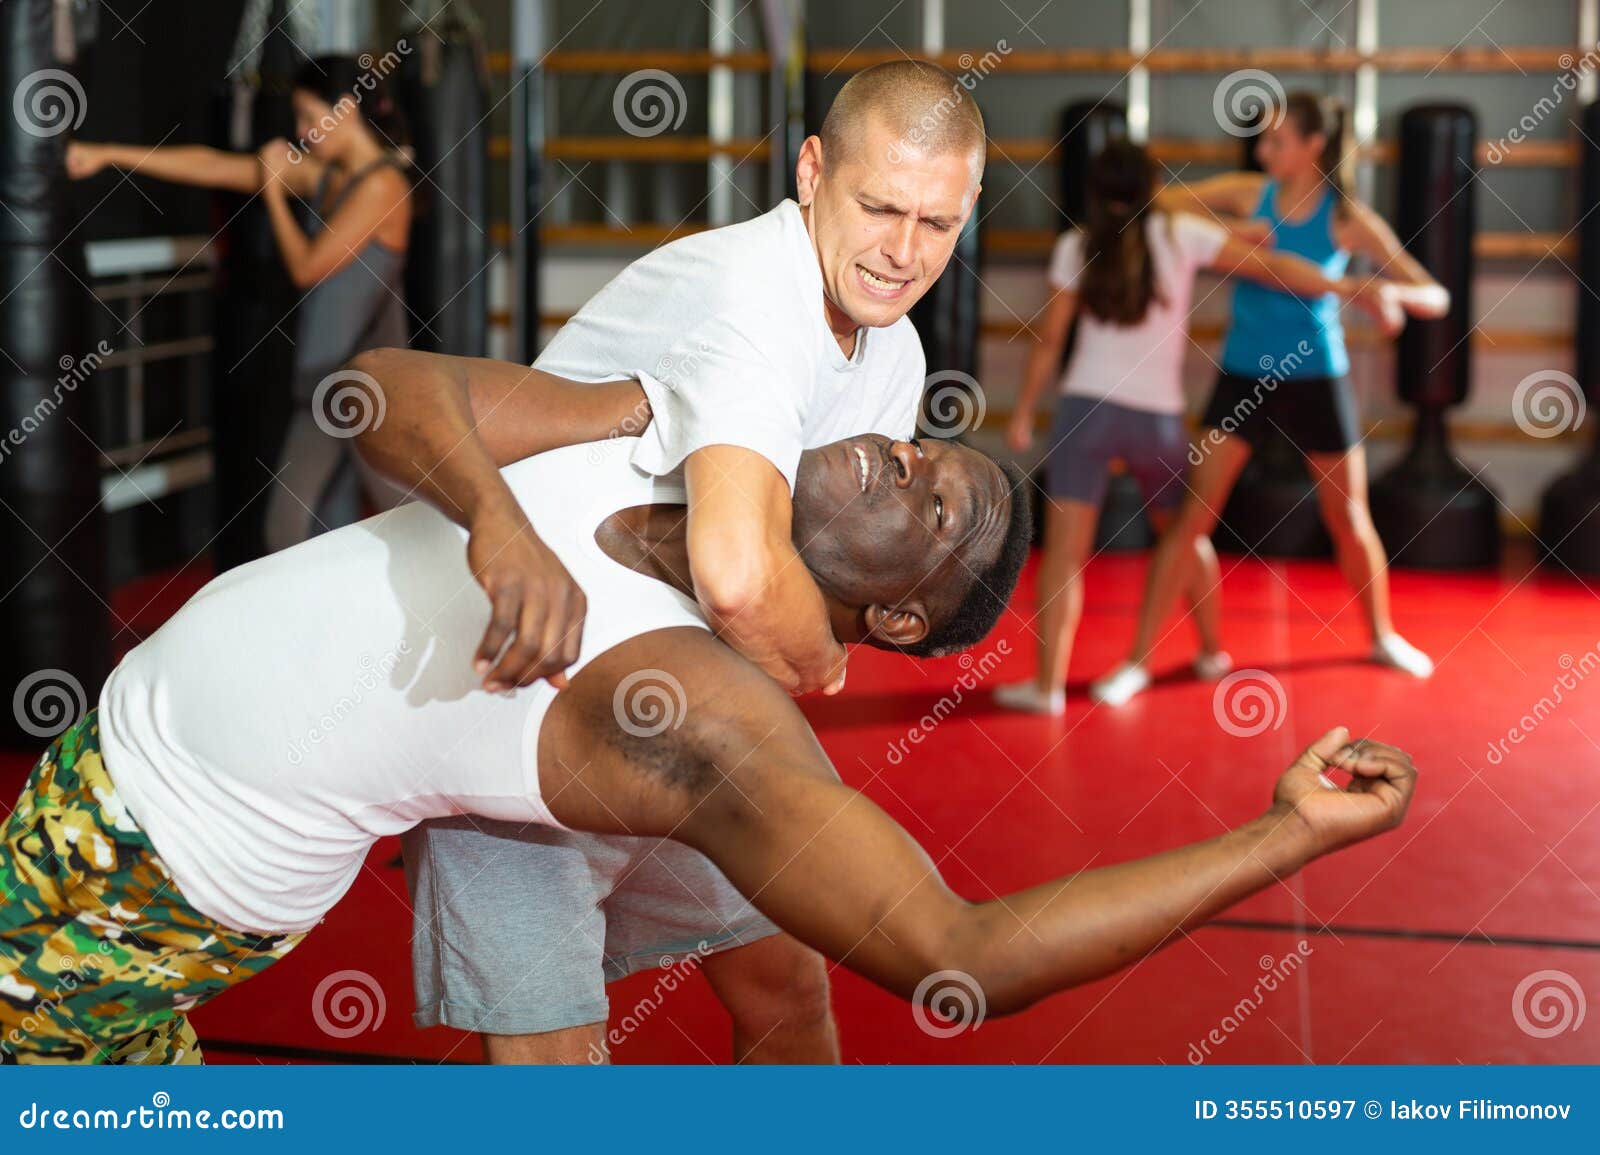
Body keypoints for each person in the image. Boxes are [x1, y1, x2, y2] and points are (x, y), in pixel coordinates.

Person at [0, 373, 1416, 1064]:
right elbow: (384, 394)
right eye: (927, 449)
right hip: (111, 759)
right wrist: (495, 514)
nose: (894, 458)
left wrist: (1280, 834)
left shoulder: (703, 720)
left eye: (929, 503)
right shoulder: (670, 439)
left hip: (156, 861)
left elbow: (961, 957)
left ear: (902, 614)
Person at [350, 59, 988, 1061]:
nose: (902, 252)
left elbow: (820, 568)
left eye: (937, 224)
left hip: (680, 696)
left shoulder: (893, 352)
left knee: (787, 988)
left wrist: (811, 625)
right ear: (812, 170)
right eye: (880, 207)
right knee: (554, 1066)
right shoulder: (747, 292)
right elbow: (742, 577)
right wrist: (823, 660)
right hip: (519, 688)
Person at [996, 139, 1406, 715]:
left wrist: (1021, 412)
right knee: (1185, 535)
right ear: (1153, 190)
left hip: (1084, 412)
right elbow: (1274, 268)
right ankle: (1212, 650)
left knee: (1065, 553)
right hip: (1156, 419)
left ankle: (1046, 689)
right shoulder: (1178, 234)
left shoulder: (1075, 244)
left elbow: (1050, 339)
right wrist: (1346, 288)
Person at [1089, 92, 1451, 707]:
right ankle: (1138, 661)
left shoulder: (1347, 218)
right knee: (1192, 519)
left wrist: (1382, 293)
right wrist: (1230, 235)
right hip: (1242, 377)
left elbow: (1435, 294)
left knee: (1348, 518)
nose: (1262, 151)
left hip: (1319, 379)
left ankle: (1383, 636)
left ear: (1314, 146)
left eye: (1277, 142)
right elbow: (1156, 204)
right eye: (1262, 142)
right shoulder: (1245, 192)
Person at [66, 55, 415, 552]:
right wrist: (107, 153)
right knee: (329, 533)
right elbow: (213, 165)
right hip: (323, 388)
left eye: (309, 117)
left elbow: (308, 267)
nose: (302, 132)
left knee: (296, 530)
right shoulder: (325, 179)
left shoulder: (383, 186)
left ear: (345, 110)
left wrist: (273, 191)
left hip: (356, 394)